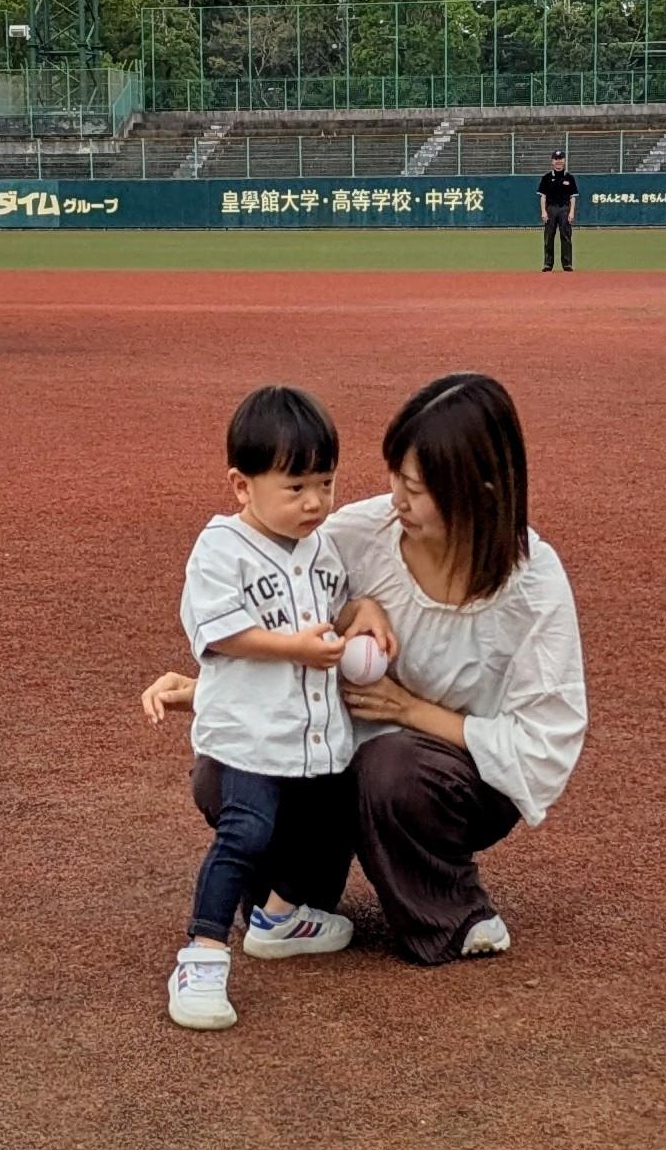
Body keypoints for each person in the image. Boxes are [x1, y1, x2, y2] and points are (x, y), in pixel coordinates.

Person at [144, 373, 587, 967]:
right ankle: (292, 903)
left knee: (390, 765)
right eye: (395, 478)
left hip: (454, 781)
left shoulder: (532, 585)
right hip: (341, 752)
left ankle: (453, 910)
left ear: (479, 491)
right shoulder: (359, 533)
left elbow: (544, 744)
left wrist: (411, 713)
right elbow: (294, 619)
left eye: (417, 488)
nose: (396, 500)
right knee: (225, 772)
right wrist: (211, 689)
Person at [166, 386, 395, 1032]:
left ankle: (276, 916)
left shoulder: (321, 548)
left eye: (325, 483)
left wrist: (365, 611)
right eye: (295, 487)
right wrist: (291, 647)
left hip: (312, 734)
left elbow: (337, 606)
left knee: (326, 817)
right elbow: (216, 632)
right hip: (246, 734)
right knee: (245, 834)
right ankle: (202, 955)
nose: (316, 502)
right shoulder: (221, 548)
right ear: (242, 486)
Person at [537, 148, 578, 272]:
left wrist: (571, 212)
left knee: (566, 236)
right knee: (549, 237)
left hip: (564, 209)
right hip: (551, 209)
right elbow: (543, 197)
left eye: (560, 159)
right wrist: (543, 211)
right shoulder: (546, 177)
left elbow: (573, 197)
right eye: (556, 159)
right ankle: (548, 264)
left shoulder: (569, 177)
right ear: (552, 161)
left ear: (564, 161)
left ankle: (567, 264)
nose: (558, 162)